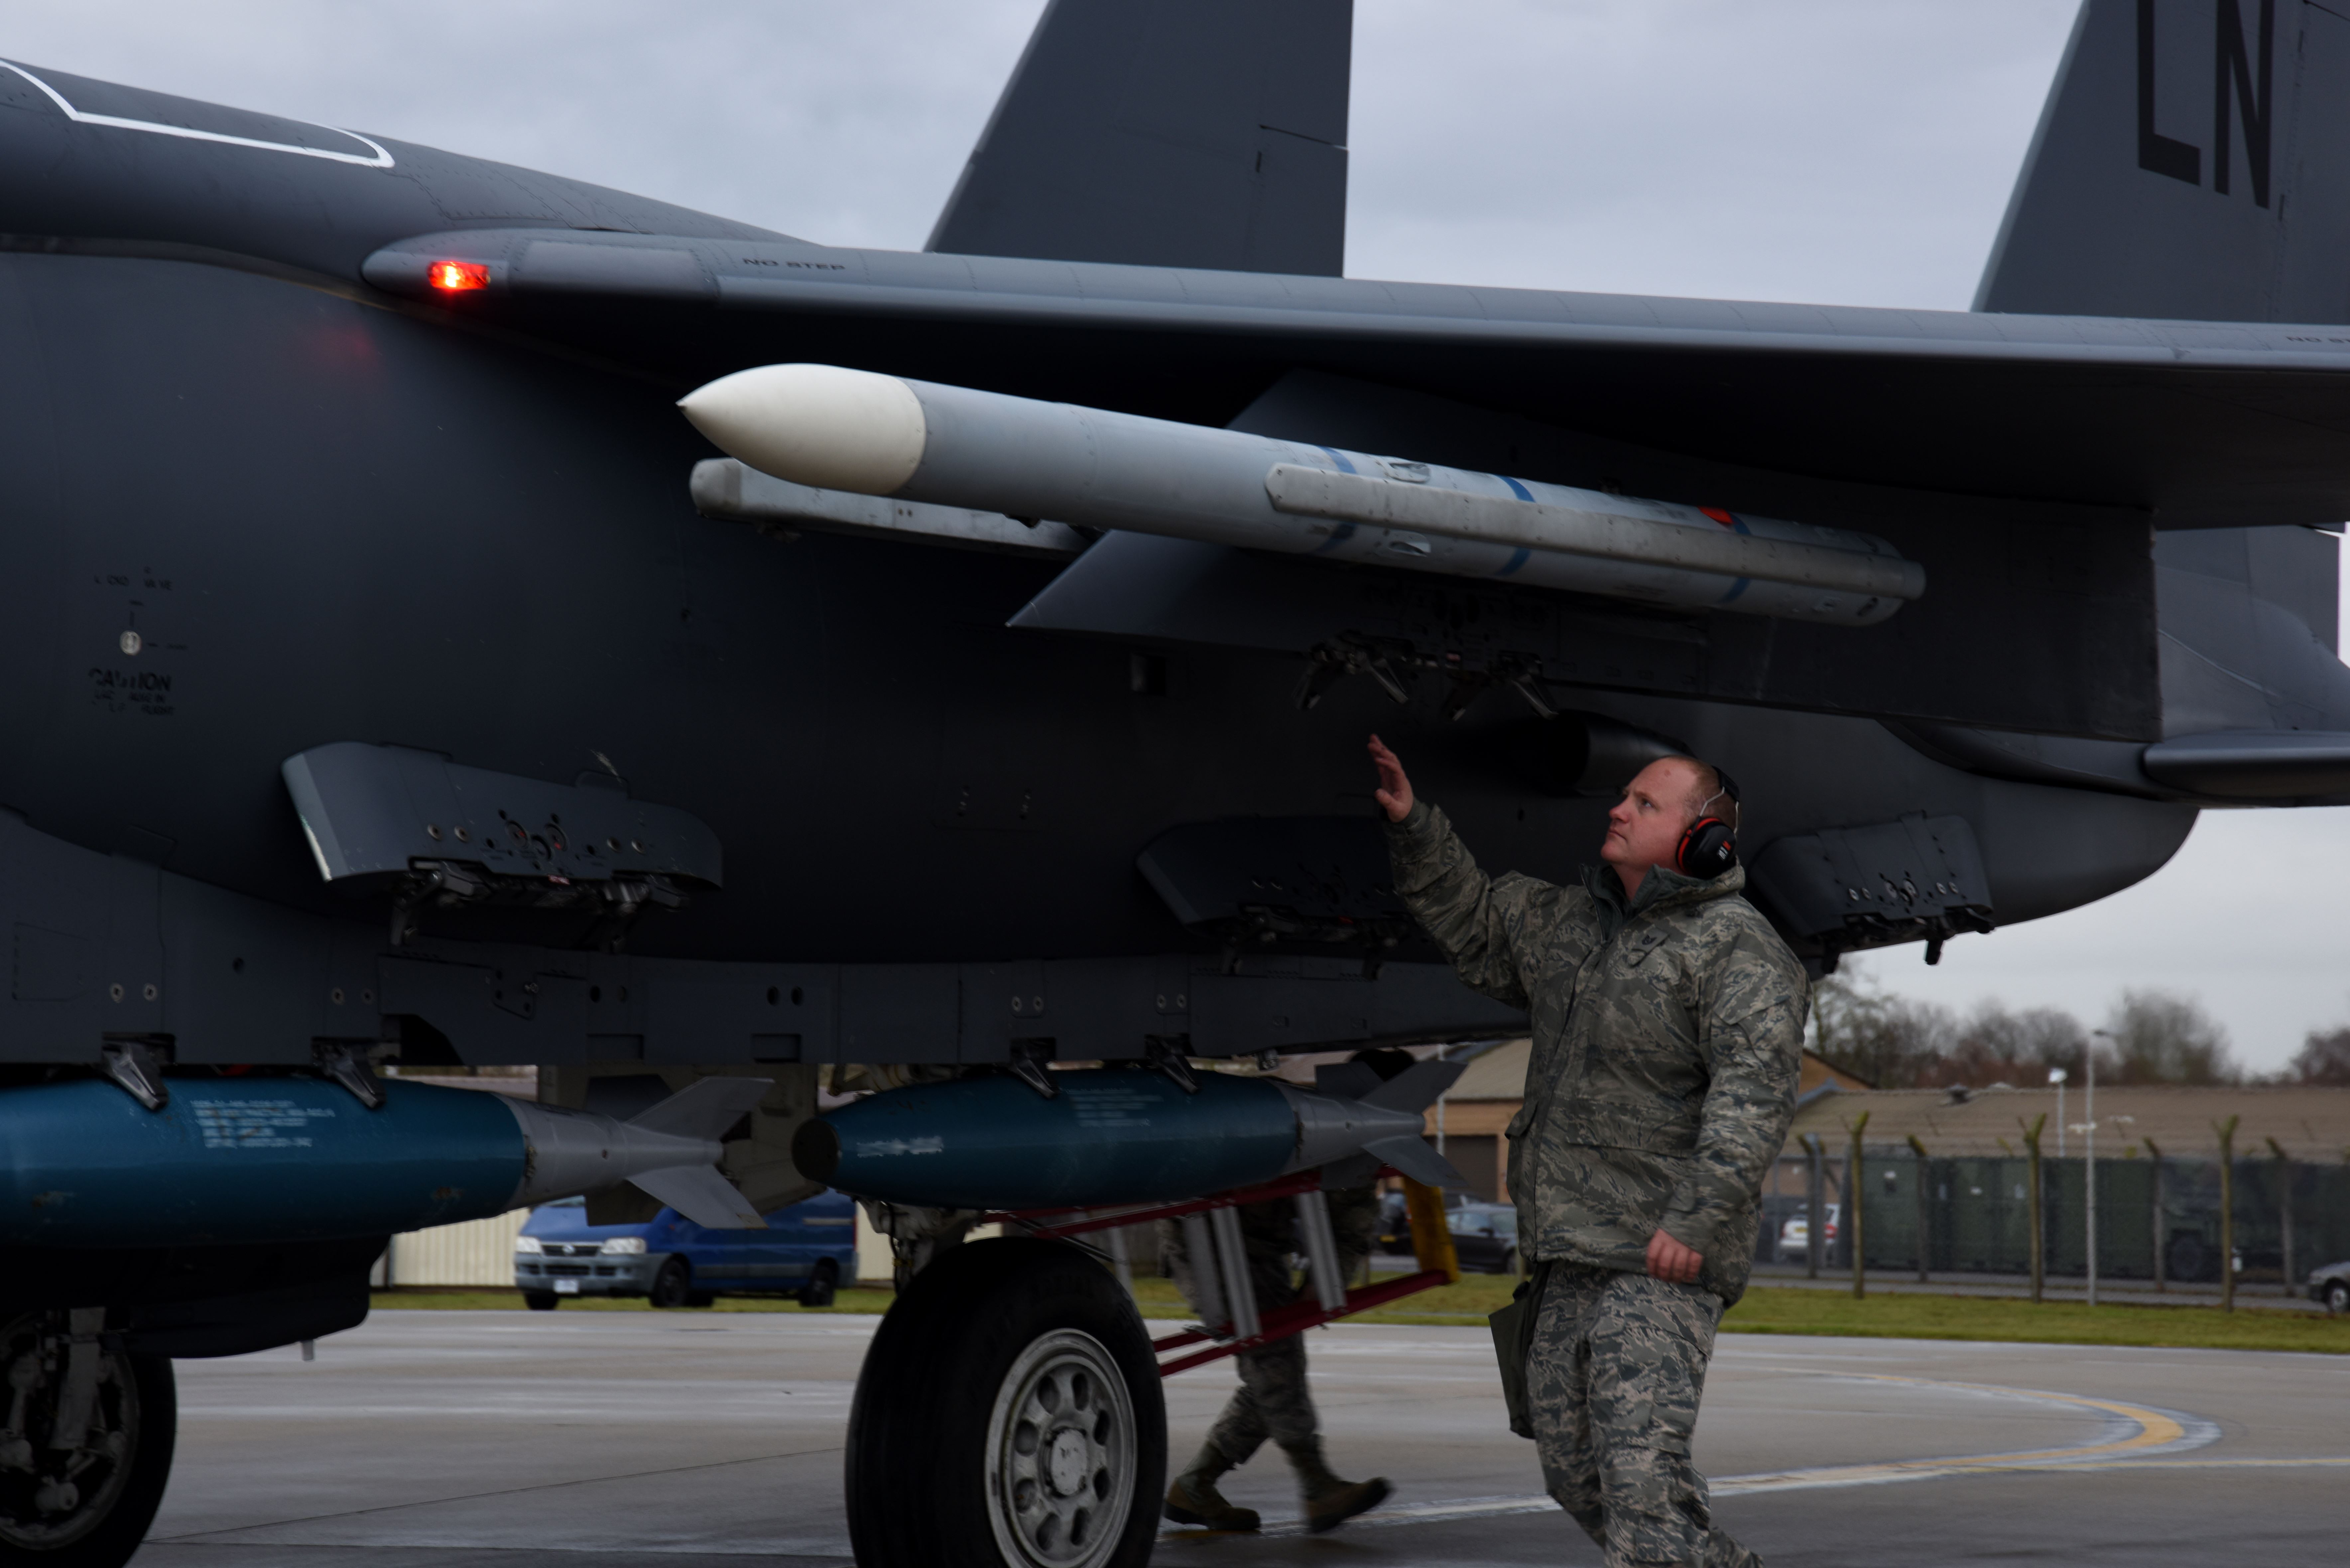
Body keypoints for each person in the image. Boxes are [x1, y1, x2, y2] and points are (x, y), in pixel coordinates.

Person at [1368, 734, 1805, 1568]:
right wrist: (1412, 823)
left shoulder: (1739, 951)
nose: (1619, 808)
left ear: (1703, 836)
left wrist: (1696, 1218)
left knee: (1642, 1480)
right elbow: (1476, 921)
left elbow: (1752, 1097)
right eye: (1624, 796)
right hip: (1570, 1250)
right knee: (1576, 1473)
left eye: (1645, 803)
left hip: (1661, 1256)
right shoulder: (1571, 923)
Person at [1158, 1046, 1410, 1535]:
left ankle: (1195, 1485)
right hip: (1214, 1237)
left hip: (1248, 1241)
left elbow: (1345, 1227)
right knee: (1275, 1360)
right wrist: (1318, 1290)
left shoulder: (1337, 1124)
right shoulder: (1324, 1123)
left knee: (1274, 1362)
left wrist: (1315, 1295)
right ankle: (1315, 1484)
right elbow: (1349, 1226)